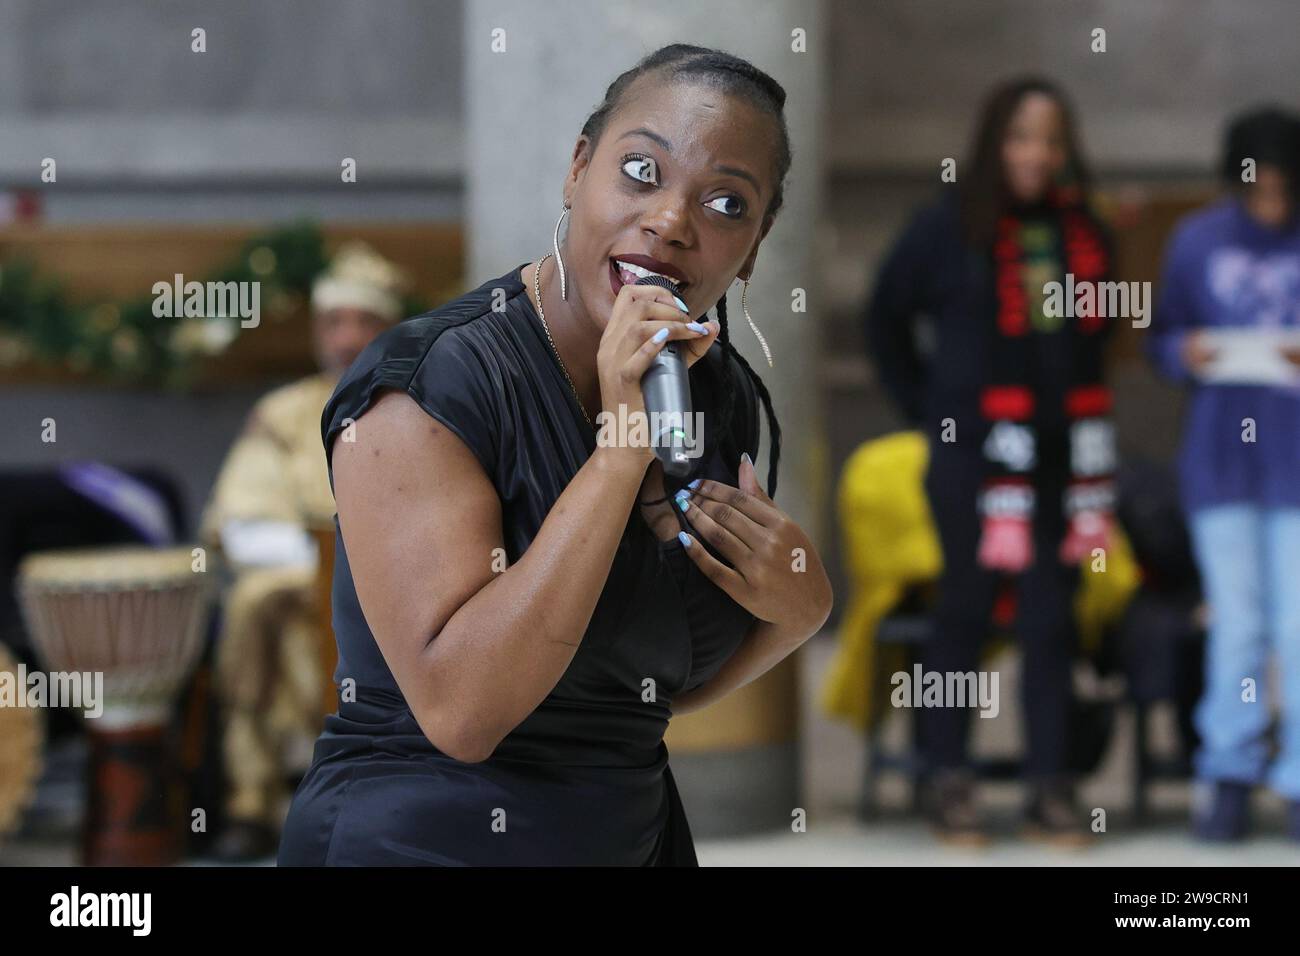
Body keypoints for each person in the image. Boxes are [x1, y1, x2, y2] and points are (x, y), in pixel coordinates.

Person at [276, 44, 832, 866]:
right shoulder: (429, 385)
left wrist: (800, 616)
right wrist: (616, 459)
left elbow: (640, 695)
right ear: (578, 169)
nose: (673, 221)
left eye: (724, 203)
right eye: (641, 170)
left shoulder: (714, 392)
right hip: (422, 840)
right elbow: (464, 713)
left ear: (754, 245)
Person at [865, 77, 1116, 846]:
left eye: (1049, 139)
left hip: (1058, 458)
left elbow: (1096, 340)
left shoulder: (1084, 233)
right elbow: (884, 318)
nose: (1036, 154)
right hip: (969, 452)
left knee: (1049, 618)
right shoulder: (947, 226)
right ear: (992, 144)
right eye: (1020, 137)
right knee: (965, 608)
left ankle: (1050, 786)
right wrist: (929, 409)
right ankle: (949, 778)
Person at [201, 242, 410, 861]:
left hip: (402, 581)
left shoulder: (420, 401)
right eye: (333, 321)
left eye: (364, 321)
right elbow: (245, 509)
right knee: (256, 602)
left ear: (391, 328)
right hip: (298, 581)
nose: (347, 337)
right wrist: (319, 572)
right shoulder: (283, 413)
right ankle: (252, 798)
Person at [1146, 105, 1300, 842]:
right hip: (1220, 460)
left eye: (1283, 187)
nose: (1271, 200)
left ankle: (1297, 775)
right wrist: (1188, 355)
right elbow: (1162, 337)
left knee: (1298, 629)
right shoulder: (1198, 239)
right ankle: (1229, 771)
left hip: (1294, 460)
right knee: (1237, 624)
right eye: (1259, 186)